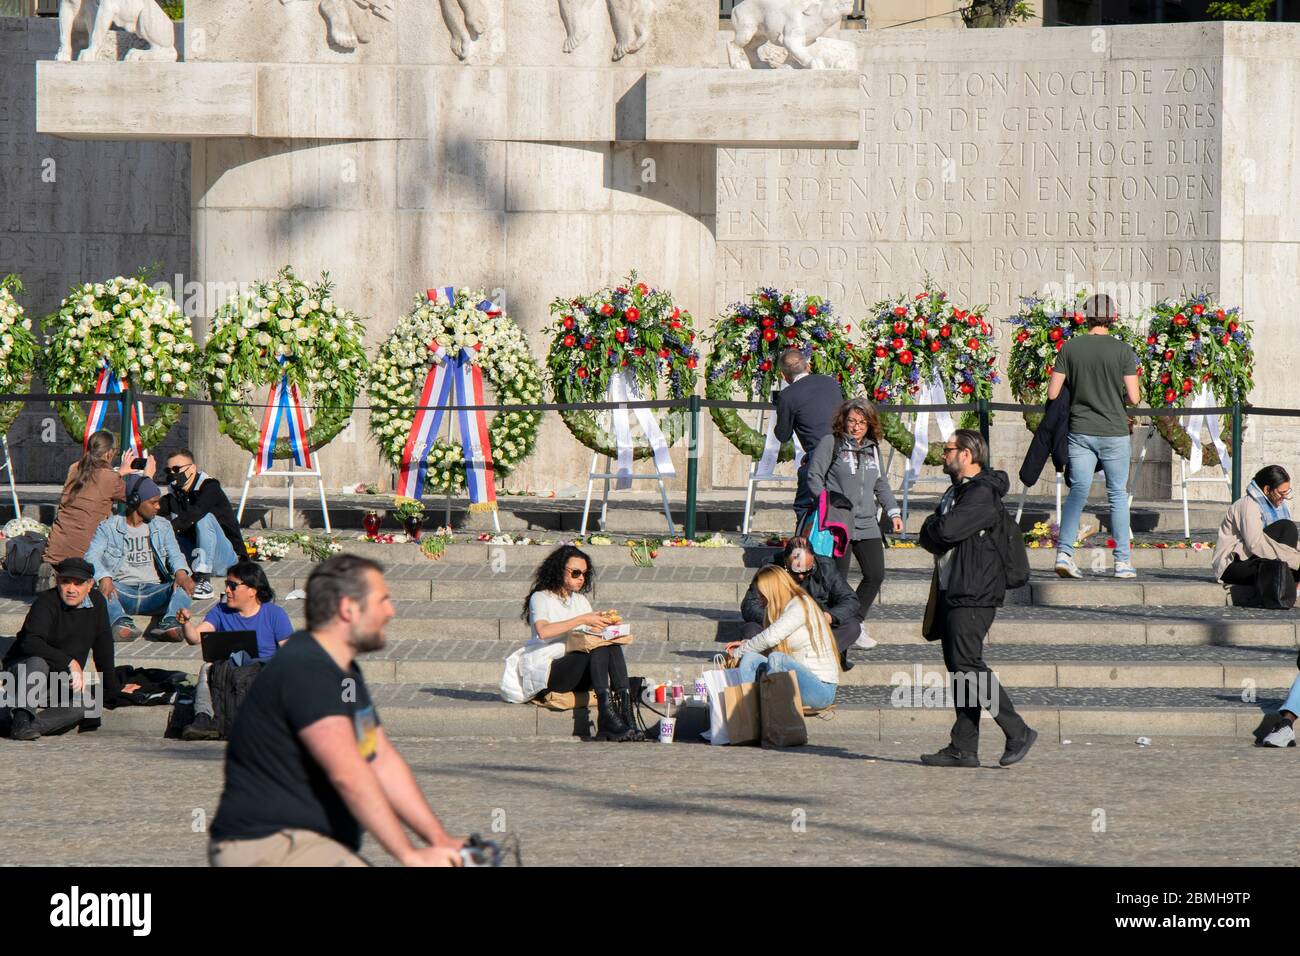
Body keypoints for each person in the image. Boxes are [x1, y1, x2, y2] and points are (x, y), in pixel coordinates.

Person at [208, 554, 465, 866]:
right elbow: (349, 775)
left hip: (307, 844)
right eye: (382, 600)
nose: (391, 611)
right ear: (348, 609)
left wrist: (440, 840)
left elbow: (378, 757)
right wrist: (408, 855)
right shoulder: (306, 669)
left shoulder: (342, 670)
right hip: (267, 845)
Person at [918, 430, 1037, 768]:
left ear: (967, 455)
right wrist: (933, 528)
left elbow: (943, 532)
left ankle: (1018, 731)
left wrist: (933, 526)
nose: (943, 454)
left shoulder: (981, 494)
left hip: (974, 592)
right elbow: (935, 533)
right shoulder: (959, 492)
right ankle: (964, 746)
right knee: (960, 668)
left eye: (949, 449)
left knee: (968, 665)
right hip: (955, 588)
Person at [1048, 292, 1140, 580]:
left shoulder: (1070, 348)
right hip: (1114, 431)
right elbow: (1135, 398)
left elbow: (1052, 392)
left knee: (1078, 491)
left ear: (1085, 317)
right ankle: (1122, 562)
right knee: (1117, 495)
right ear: (1113, 317)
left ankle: (1064, 553)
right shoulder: (1123, 350)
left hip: (1080, 430)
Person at [516, 545, 636, 741]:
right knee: (597, 648)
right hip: (553, 669)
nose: (581, 578)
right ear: (559, 570)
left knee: (610, 644)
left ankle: (625, 713)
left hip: (583, 670)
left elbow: (590, 636)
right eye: (576, 572)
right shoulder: (541, 597)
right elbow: (544, 631)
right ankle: (609, 717)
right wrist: (582, 620)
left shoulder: (580, 601)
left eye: (584, 574)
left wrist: (605, 626)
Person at [806, 398, 903, 627]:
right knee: (837, 580)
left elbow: (881, 484)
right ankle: (833, 625)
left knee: (875, 574)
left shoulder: (873, 448)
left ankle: (852, 622)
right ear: (843, 420)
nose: (856, 426)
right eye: (851, 421)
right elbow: (814, 477)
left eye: (862, 422)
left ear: (870, 424)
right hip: (839, 523)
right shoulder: (831, 442)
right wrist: (827, 506)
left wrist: (894, 512)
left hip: (868, 522)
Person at [1, 558, 120, 740]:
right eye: (66, 582)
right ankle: (22, 716)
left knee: (89, 703)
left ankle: (28, 725)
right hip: (24, 676)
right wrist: (69, 662)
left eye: (78, 583)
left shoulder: (97, 603)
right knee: (38, 662)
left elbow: (103, 646)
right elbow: (30, 642)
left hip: (58, 681)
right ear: (57, 581)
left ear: (90, 585)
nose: (71, 589)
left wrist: (112, 689)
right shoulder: (46, 601)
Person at [176, 560, 294, 741]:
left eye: (232, 586)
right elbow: (195, 638)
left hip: (262, 673)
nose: (227, 591)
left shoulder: (274, 614)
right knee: (206, 668)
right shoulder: (221, 612)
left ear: (252, 590)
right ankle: (204, 719)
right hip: (228, 674)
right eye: (226, 585)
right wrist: (186, 624)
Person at [85, 475, 195, 642]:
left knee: (183, 587)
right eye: (153, 502)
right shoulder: (108, 527)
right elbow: (91, 555)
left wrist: (181, 573)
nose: (158, 507)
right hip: (121, 591)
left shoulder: (162, 526)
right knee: (97, 593)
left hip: (154, 591)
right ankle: (121, 623)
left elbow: (175, 554)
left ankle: (170, 624)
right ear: (135, 501)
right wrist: (104, 577)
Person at [740, 536, 864, 671]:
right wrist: (779, 620)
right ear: (785, 561)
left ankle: (811, 659)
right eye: (794, 572)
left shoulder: (826, 567)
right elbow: (749, 604)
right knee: (751, 629)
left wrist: (828, 616)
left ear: (813, 558)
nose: (801, 576)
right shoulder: (771, 567)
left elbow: (850, 599)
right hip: (780, 629)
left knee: (852, 626)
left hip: (814, 630)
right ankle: (776, 663)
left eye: (807, 571)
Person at [725, 565, 839, 712]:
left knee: (777, 659)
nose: (760, 600)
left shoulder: (800, 604)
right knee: (750, 659)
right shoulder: (784, 609)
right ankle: (746, 713)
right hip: (795, 682)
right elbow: (771, 640)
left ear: (772, 590)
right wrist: (744, 646)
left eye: (762, 594)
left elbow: (769, 638)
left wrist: (738, 652)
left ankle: (769, 713)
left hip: (820, 689)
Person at [43, 430, 154, 569]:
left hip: (56, 549)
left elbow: (95, 484)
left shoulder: (74, 468)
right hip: (85, 554)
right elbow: (142, 499)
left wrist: (118, 474)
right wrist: (148, 476)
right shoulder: (110, 479)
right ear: (109, 453)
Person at [158, 448, 248, 599]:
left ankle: (204, 580)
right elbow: (150, 507)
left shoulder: (209, 487)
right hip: (194, 556)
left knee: (203, 518)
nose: (173, 474)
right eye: (169, 470)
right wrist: (146, 477)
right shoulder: (175, 494)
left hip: (225, 559)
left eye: (176, 469)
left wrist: (169, 528)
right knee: (156, 522)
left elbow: (196, 512)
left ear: (192, 468)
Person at [772, 348, 845, 526]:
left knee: (805, 506)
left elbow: (783, 435)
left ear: (783, 375)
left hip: (818, 456)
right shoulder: (831, 383)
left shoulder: (787, 396)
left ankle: (808, 549)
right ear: (808, 366)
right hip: (846, 451)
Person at [1213, 465, 1300, 603]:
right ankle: (1283, 584)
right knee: (1287, 527)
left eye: (1286, 492)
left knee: (1289, 537)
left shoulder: (1279, 506)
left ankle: (1285, 584)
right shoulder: (1248, 505)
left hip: (1258, 559)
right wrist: (1295, 559)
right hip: (1233, 566)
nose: (1284, 498)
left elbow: (1284, 544)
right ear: (1267, 489)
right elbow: (1256, 543)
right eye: (1281, 493)